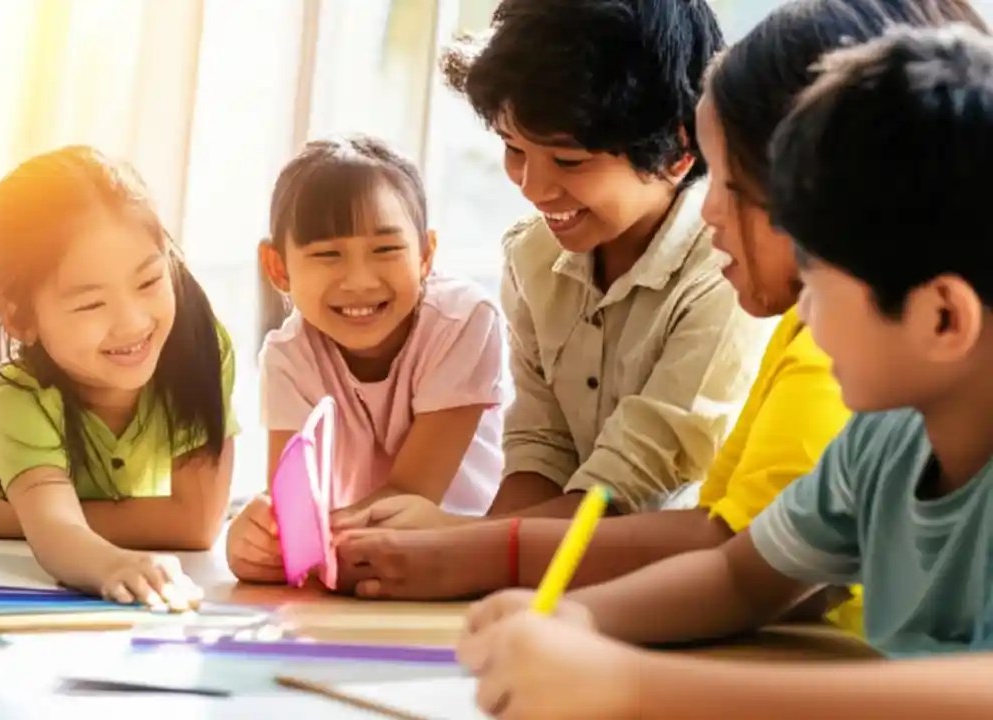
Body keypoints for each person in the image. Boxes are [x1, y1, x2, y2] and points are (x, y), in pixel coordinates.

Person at [460, 23, 993, 719]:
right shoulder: (881, 444)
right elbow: (740, 577)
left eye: (816, 274)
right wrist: (570, 619)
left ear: (942, 319)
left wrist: (634, 687)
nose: (803, 311)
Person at [332, 0, 771, 598]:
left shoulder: (729, 272)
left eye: (569, 160)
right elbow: (541, 449)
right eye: (514, 147)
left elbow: (630, 488)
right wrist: (464, 552)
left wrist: (462, 548)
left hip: (675, 588)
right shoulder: (534, 258)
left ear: (676, 152)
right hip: (554, 576)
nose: (534, 187)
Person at [225, 135, 504, 584]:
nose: (359, 281)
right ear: (278, 268)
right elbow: (293, 501)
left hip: (465, 562)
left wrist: (309, 540)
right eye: (327, 255)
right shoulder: (288, 355)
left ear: (426, 254)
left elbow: (412, 500)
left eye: (386, 250)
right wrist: (258, 539)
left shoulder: (462, 321)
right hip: (360, 563)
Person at [0, 146, 235, 609]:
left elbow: (197, 524)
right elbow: (56, 527)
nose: (133, 323)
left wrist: (12, 516)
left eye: (150, 281)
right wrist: (108, 563)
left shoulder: (199, 346)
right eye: (92, 304)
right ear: (17, 316)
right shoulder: (17, 398)